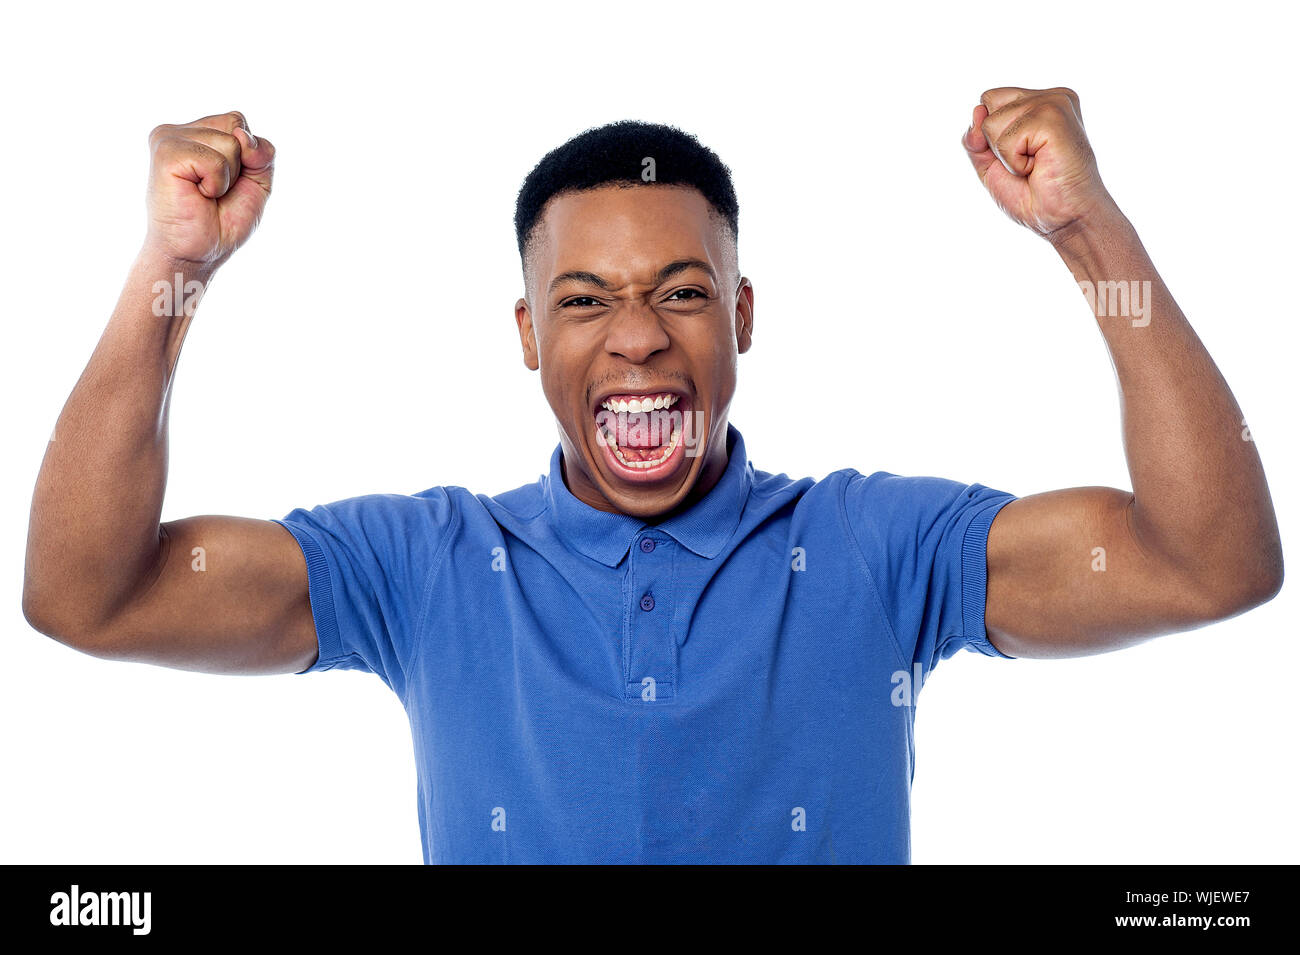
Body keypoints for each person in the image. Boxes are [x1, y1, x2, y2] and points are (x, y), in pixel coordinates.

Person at [22, 89, 1283, 864]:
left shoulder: (876, 547)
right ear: (526, 336)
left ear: (741, 317)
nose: (637, 337)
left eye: (682, 294)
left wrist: (1083, 228)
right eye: (583, 302)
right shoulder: (424, 570)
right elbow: (88, 594)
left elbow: (1209, 561)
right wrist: (174, 267)